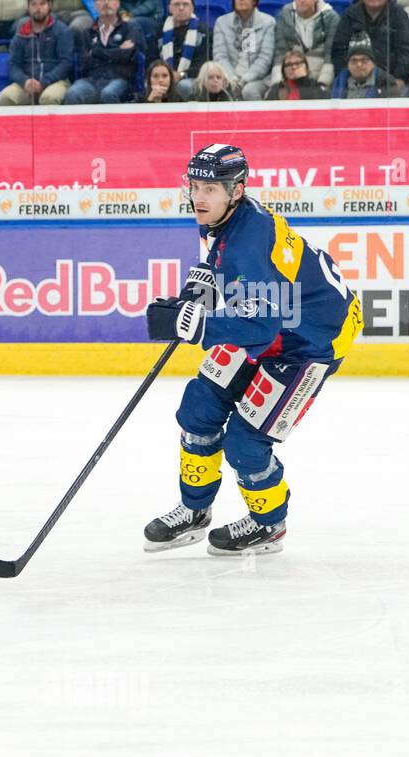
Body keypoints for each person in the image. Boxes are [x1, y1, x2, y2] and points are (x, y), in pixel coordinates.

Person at [142, 144, 363, 555]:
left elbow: (262, 325)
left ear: (237, 190)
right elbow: (221, 265)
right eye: (195, 185)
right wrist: (193, 294)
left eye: (210, 187)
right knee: (198, 412)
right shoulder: (228, 216)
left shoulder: (250, 243)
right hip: (273, 320)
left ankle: (269, 524)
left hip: (309, 342)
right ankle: (194, 511)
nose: (199, 197)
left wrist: (192, 325)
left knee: (246, 443)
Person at [0, 0, 75, 105]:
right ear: (28, 7)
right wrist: (25, 81)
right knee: (5, 98)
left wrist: (44, 82)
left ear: (50, 6)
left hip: (56, 81)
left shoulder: (61, 30)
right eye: (34, 4)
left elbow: (66, 63)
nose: (38, 8)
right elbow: (13, 64)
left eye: (42, 4)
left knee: (49, 98)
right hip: (27, 84)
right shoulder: (21, 33)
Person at [64, 0, 143, 104]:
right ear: (95, 5)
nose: (106, 2)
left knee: (109, 93)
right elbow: (84, 62)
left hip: (121, 79)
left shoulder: (130, 28)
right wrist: (117, 50)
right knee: (72, 93)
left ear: (118, 3)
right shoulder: (87, 33)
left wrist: (96, 52)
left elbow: (127, 55)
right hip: (92, 80)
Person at [330, 0, 409, 85]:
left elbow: (405, 51)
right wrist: (344, 79)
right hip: (354, 81)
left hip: (389, 83)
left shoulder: (398, 14)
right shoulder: (350, 15)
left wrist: (399, 78)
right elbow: (339, 50)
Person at [213, 0, 275, 100]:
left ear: (254, 1)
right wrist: (232, 78)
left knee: (249, 90)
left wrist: (245, 79)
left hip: (260, 78)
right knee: (223, 87)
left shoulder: (268, 22)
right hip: (229, 77)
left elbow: (265, 58)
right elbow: (220, 56)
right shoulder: (221, 22)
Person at [270, 0, 339, 90]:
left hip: (319, 67)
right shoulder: (285, 15)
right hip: (291, 67)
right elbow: (280, 53)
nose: (302, 1)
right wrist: (276, 84)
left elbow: (330, 56)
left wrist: (322, 84)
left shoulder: (331, 17)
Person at [154, 0, 210, 99]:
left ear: (192, 8)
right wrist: (165, 76)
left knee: (184, 86)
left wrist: (182, 75)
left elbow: (205, 62)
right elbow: (152, 59)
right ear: (169, 8)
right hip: (164, 77)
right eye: (176, 4)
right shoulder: (159, 31)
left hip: (193, 78)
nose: (181, 8)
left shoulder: (203, 30)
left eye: (185, 4)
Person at [331, 33, 399, 94]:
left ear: (373, 63)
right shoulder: (337, 84)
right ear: (348, 65)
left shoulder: (387, 84)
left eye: (364, 60)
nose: (359, 64)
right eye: (354, 61)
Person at [264, 45, 329, 96]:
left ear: (306, 67)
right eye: (289, 64)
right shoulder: (275, 90)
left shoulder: (318, 88)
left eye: (298, 63)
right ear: (283, 70)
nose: (294, 67)